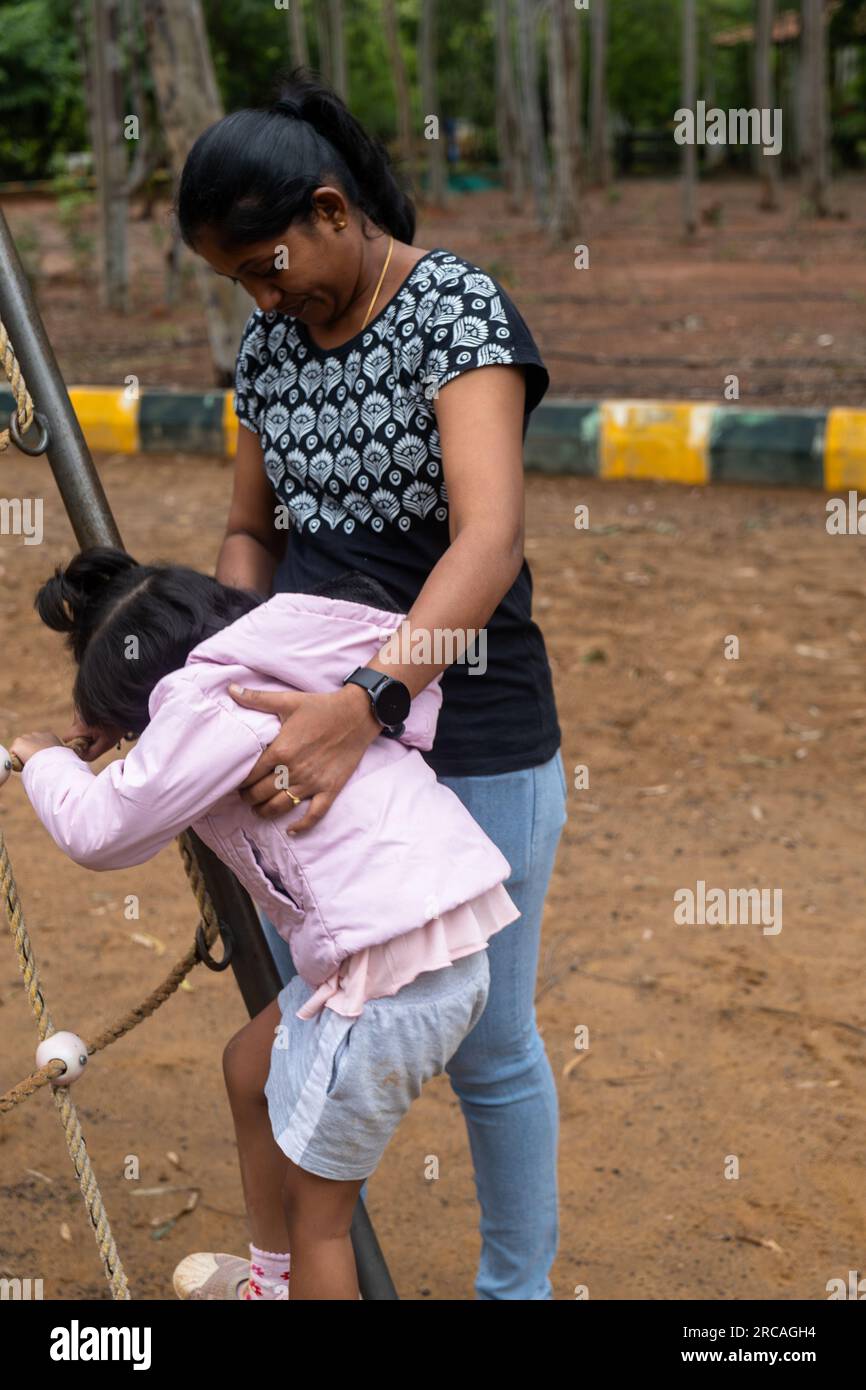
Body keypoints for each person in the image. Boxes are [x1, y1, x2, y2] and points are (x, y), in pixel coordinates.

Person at [71, 63, 569, 1300]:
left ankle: (512, 1290)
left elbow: (486, 537)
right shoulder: (271, 345)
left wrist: (368, 703)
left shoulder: (456, 313)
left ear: (334, 212)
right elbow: (252, 531)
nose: (260, 293)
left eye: (266, 262)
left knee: (487, 1039)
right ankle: (295, 1270)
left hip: (463, 712)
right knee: (321, 1011)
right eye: (239, 278)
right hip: (308, 718)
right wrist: (215, 679)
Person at [9, 547, 523, 1302]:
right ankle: (270, 1286)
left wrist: (44, 756)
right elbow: (173, 754)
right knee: (250, 1067)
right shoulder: (282, 656)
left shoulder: (208, 704)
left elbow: (102, 831)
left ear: (151, 696)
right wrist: (125, 732)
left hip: (383, 981)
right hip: (433, 950)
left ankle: (290, 1281)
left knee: (317, 1216)